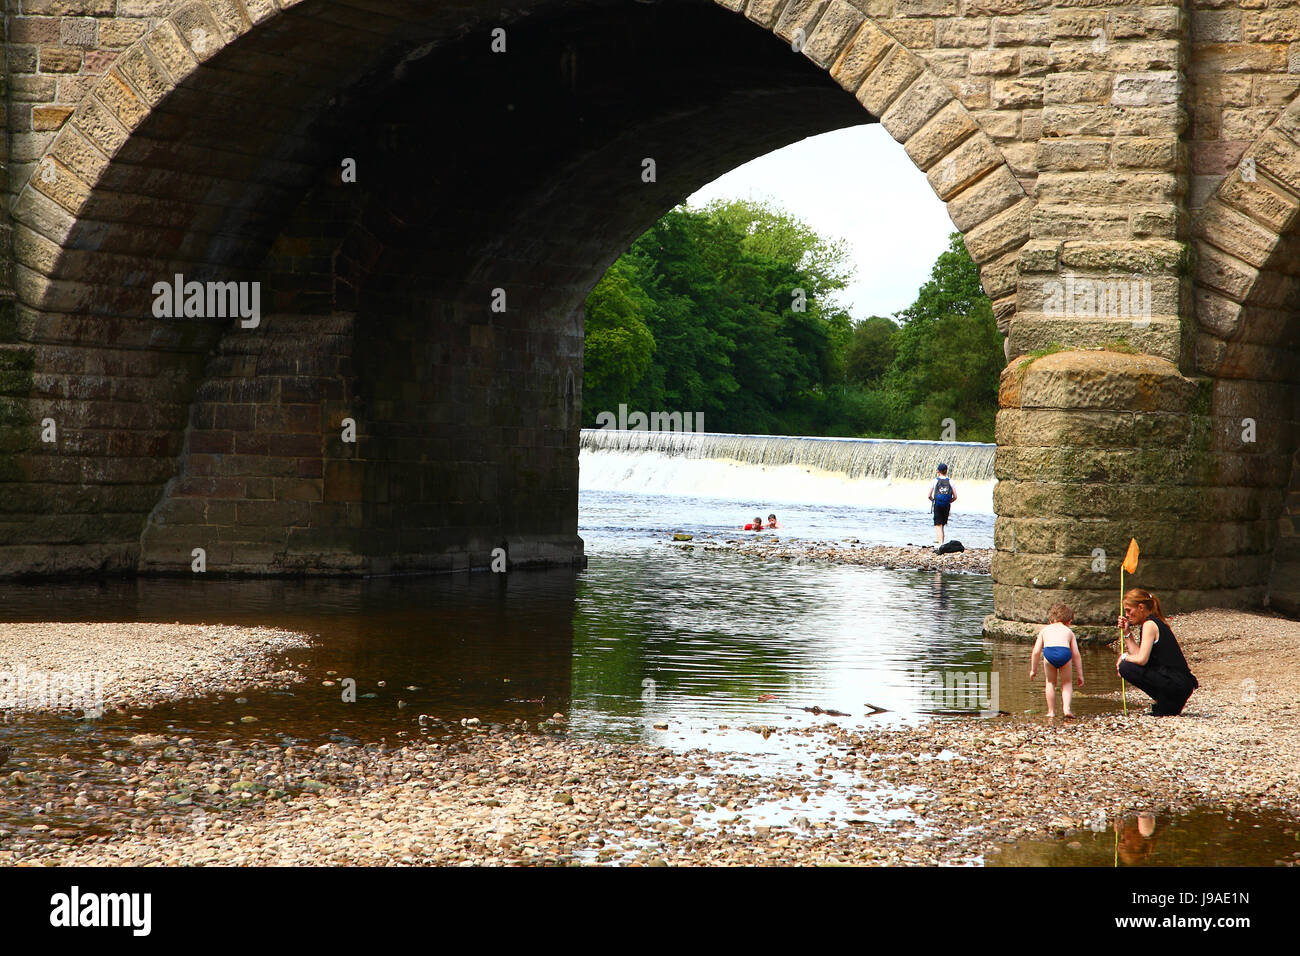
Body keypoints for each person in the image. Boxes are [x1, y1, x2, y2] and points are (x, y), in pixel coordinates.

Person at [1115, 588, 1199, 716]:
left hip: (1177, 685)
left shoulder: (1149, 625)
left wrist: (1124, 657)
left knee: (1125, 667)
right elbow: (1140, 656)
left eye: (1128, 610)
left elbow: (1141, 660)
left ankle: (1164, 700)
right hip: (1180, 686)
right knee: (1128, 665)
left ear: (1141, 607)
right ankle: (1165, 704)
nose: (1126, 614)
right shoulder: (1153, 623)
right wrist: (1127, 633)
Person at [1029, 602, 1084, 719]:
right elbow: (1076, 654)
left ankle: (1051, 711)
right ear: (1069, 621)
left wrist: (1033, 670)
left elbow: (1036, 651)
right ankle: (1066, 709)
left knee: (1050, 683)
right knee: (1067, 683)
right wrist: (1080, 674)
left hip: (1049, 653)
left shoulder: (1045, 630)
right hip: (1065, 653)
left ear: (1051, 620)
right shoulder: (1069, 632)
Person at [928, 463, 957, 548]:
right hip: (946, 505)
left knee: (938, 525)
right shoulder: (951, 481)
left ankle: (940, 544)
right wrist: (948, 502)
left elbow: (929, 495)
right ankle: (942, 543)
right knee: (943, 524)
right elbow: (955, 496)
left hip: (937, 504)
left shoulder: (935, 481)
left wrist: (933, 500)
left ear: (938, 471)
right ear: (946, 471)